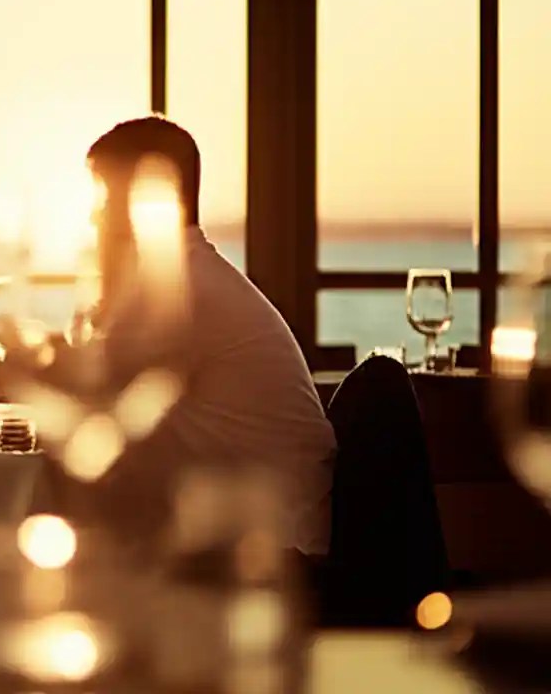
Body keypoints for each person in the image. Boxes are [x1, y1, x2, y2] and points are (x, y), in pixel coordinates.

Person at [42, 116, 336, 556]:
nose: (93, 215)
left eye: (104, 196)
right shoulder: (192, 275)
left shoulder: (176, 289)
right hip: (269, 526)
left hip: (268, 553)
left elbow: (88, 412)